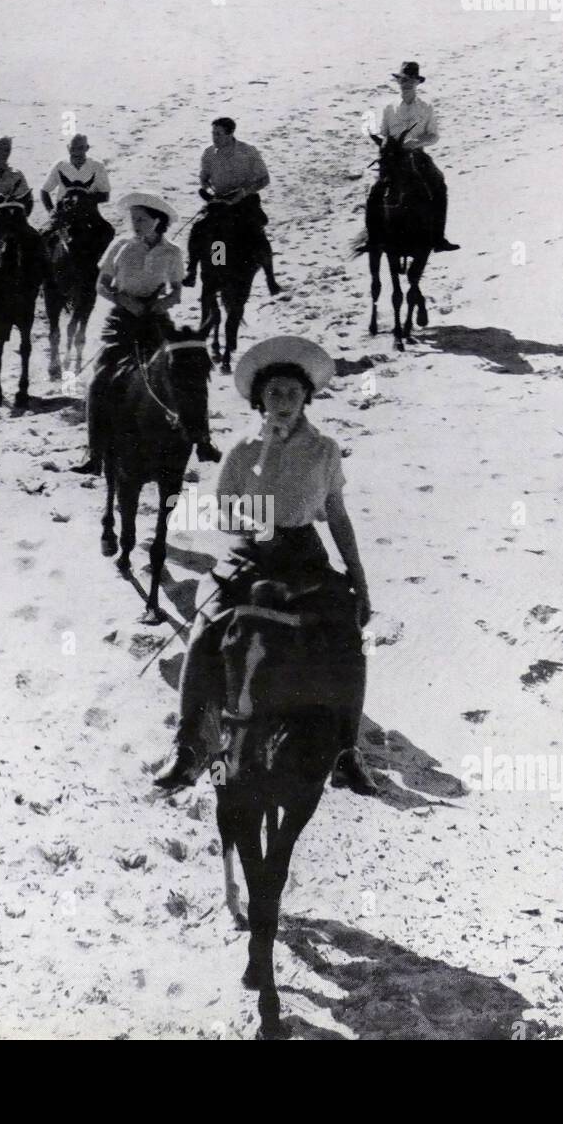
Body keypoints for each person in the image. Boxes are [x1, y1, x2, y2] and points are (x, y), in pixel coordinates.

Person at [153, 335, 377, 795]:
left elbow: (335, 512)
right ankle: (190, 745)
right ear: (259, 400)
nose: (284, 402)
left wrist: (358, 576)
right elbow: (225, 511)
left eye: (293, 393)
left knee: (347, 630)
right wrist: (265, 472)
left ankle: (344, 751)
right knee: (208, 623)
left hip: (304, 554)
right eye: (274, 393)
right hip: (251, 551)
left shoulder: (325, 450)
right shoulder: (240, 450)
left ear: (306, 398)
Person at [72, 191, 221, 476]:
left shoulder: (172, 252)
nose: (136, 224)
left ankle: (203, 440)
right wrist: (124, 300)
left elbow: (176, 292)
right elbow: (101, 285)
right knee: (100, 378)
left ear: (157, 221)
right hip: (122, 318)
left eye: (142, 219)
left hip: (155, 319)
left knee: (189, 374)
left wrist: (159, 303)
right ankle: (94, 453)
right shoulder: (120, 245)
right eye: (133, 219)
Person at [183, 117, 281, 295]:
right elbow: (204, 177)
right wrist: (205, 188)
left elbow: (264, 179)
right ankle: (195, 269)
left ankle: (270, 278)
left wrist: (242, 193)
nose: (215, 137)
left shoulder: (247, 151)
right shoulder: (209, 154)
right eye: (213, 133)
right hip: (220, 202)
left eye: (219, 134)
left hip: (245, 200)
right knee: (202, 229)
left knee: (257, 235)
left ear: (230, 134)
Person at [377, 62, 459, 252]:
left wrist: (416, 142)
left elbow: (434, 135)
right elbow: (383, 133)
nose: (406, 84)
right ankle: (374, 237)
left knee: (439, 184)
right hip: (393, 157)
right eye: (403, 80)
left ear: (416, 83)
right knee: (376, 190)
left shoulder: (426, 107)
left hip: (417, 156)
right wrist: (386, 145)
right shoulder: (389, 107)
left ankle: (438, 238)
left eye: (410, 81)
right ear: (398, 82)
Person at [39, 133, 112, 214]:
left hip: (88, 212)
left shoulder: (97, 166)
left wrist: (83, 199)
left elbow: (105, 195)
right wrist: (51, 211)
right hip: (63, 211)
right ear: (68, 148)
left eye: (80, 148)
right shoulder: (59, 165)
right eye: (73, 148)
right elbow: (44, 191)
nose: (77, 152)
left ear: (87, 148)